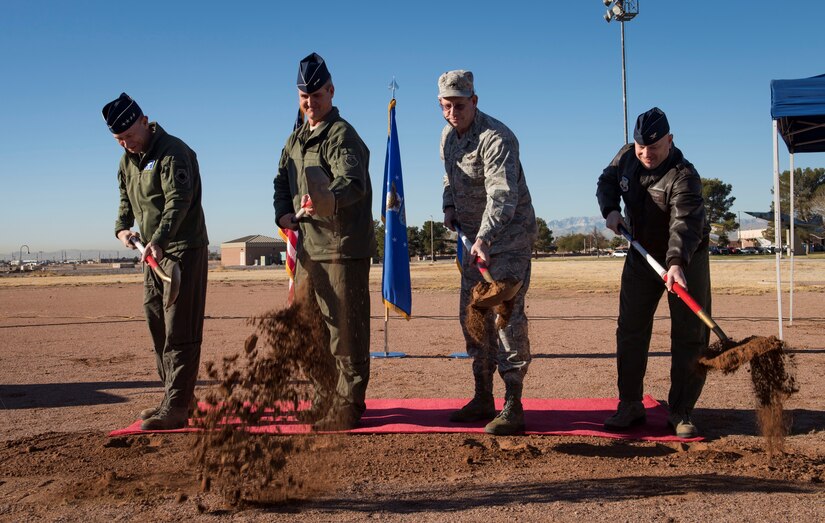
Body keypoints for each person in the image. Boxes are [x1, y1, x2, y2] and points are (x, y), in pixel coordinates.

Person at [273, 53, 375, 431]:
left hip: (340, 249)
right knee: (309, 326)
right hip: (307, 251)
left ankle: (348, 404)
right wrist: (283, 213)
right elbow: (281, 181)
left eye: (317, 95)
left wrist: (324, 198)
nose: (310, 103)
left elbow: (352, 183)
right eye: (304, 97)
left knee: (344, 330)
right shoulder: (295, 138)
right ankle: (322, 394)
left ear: (331, 91)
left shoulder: (342, 136)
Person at [596, 107, 711, 438]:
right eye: (640, 147)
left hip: (685, 258)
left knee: (689, 335)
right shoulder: (627, 156)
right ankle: (630, 404)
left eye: (654, 147)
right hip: (641, 253)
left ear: (670, 140)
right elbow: (606, 180)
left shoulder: (684, 176)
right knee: (630, 329)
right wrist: (611, 210)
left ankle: (681, 410)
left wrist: (676, 263)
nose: (646, 154)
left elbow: (685, 224)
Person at [438, 70, 537, 436]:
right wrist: (449, 206)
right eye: (446, 106)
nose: (452, 113)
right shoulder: (448, 137)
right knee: (473, 315)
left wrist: (485, 236)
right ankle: (483, 395)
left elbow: (502, 195)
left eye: (459, 105)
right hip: (471, 242)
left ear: (474, 101)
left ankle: (514, 402)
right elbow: (449, 178)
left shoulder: (497, 138)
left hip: (508, 238)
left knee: (506, 316)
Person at [103, 92, 209, 430]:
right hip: (151, 255)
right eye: (119, 140)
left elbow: (179, 201)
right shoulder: (127, 161)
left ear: (144, 121)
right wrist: (122, 229)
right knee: (157, 326)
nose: (125, 145)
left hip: (182, 250)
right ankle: (177, 397)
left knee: (180, 328)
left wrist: (160, 240)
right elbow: (125, 201)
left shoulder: (173, 152)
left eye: (129, 137)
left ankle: (177, 407)